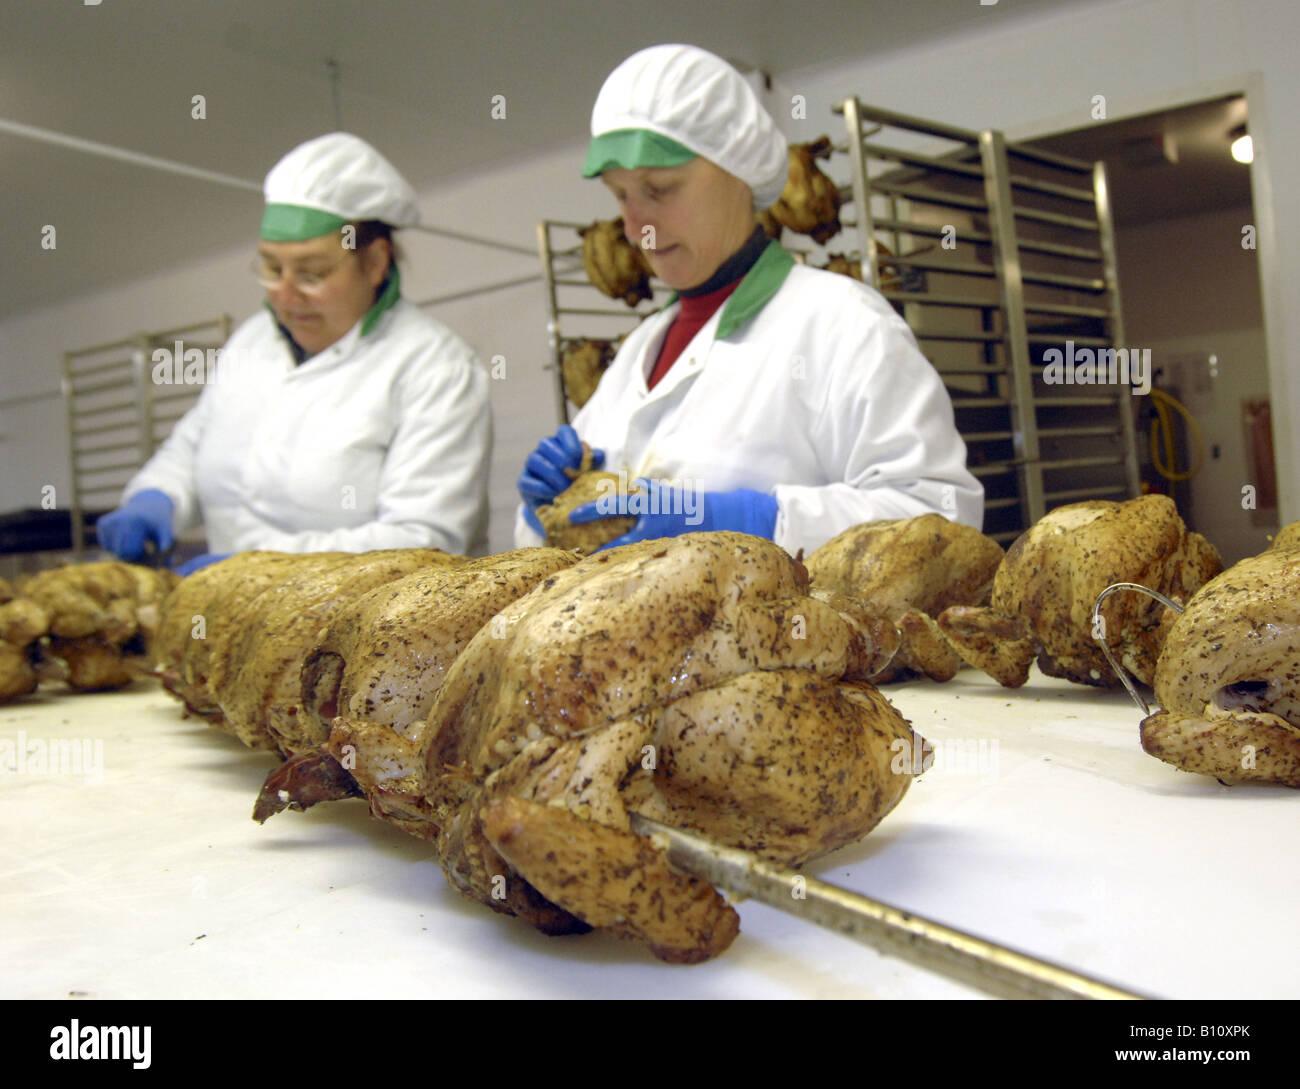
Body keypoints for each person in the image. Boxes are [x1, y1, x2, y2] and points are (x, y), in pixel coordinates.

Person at [516, 44, 982, 557]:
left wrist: (764, 522)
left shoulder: (843, 323)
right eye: (620, 195)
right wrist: (545, 511)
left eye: (660, 188)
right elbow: (575, 546)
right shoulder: (639, 351)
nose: (635, 226)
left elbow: (942, 519)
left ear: (739, 170)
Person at [98, 133, 492, 575]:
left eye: (312, 273)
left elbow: (423, 539)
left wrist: (258, 570)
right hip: (233, 621)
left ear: (377, 262)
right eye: (271, 268)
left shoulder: (435, 365)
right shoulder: (253, 340)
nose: (284, 296)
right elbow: (190, 449)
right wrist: (156, 499)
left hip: (371, 636)